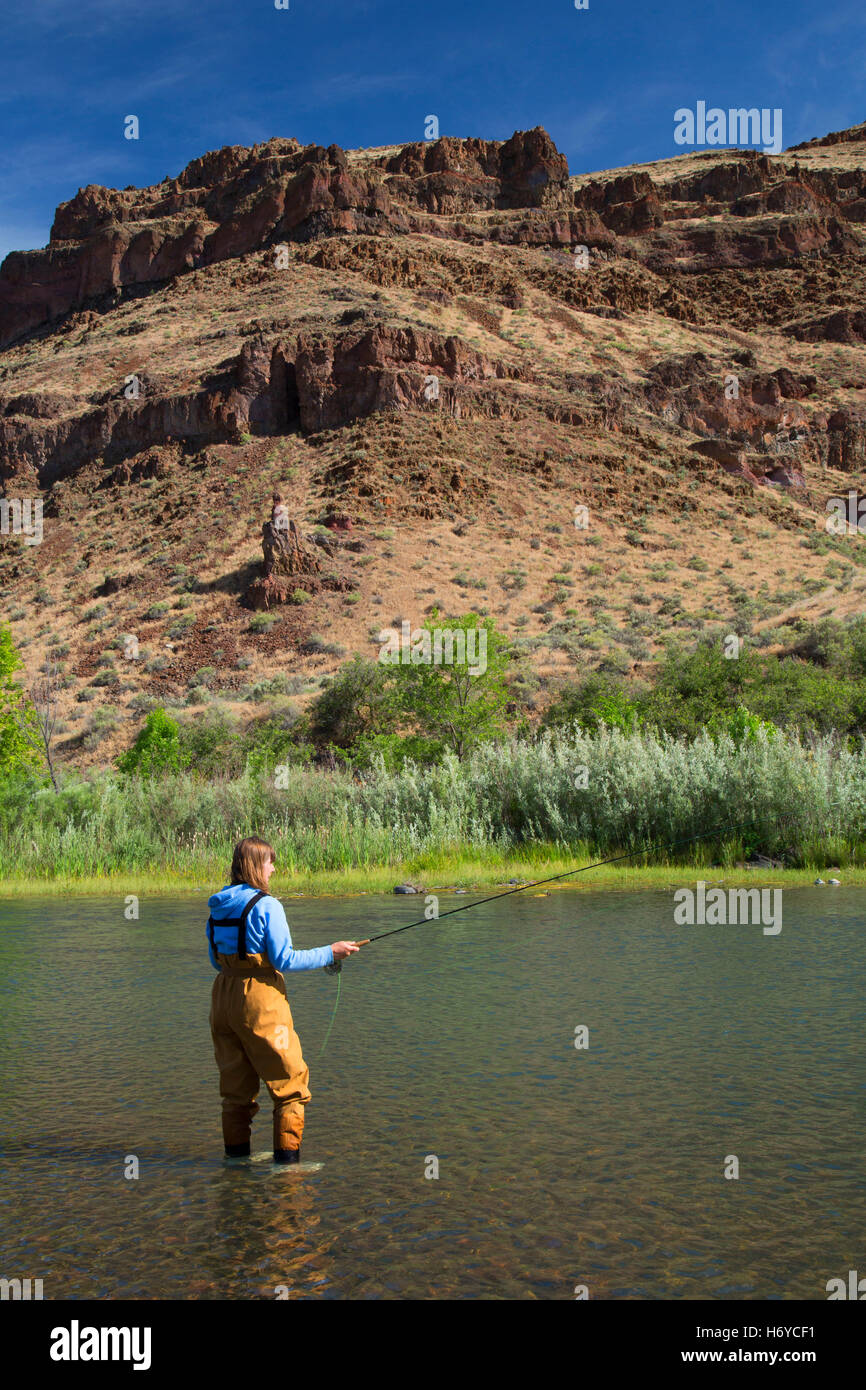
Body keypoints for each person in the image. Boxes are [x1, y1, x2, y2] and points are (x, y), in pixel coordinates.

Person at [206, 836, 361, 1164]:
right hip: (260, 1003)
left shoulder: (217, 905)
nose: (273, 868)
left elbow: (215, 961)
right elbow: (284, 960)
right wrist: (330, 952)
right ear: (255, 866)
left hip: (222, 1000)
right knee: (290, 1083)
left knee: (235, 1090)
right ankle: (287, 1170)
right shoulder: (266, 905)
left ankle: (235, 1165)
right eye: (269, 862)